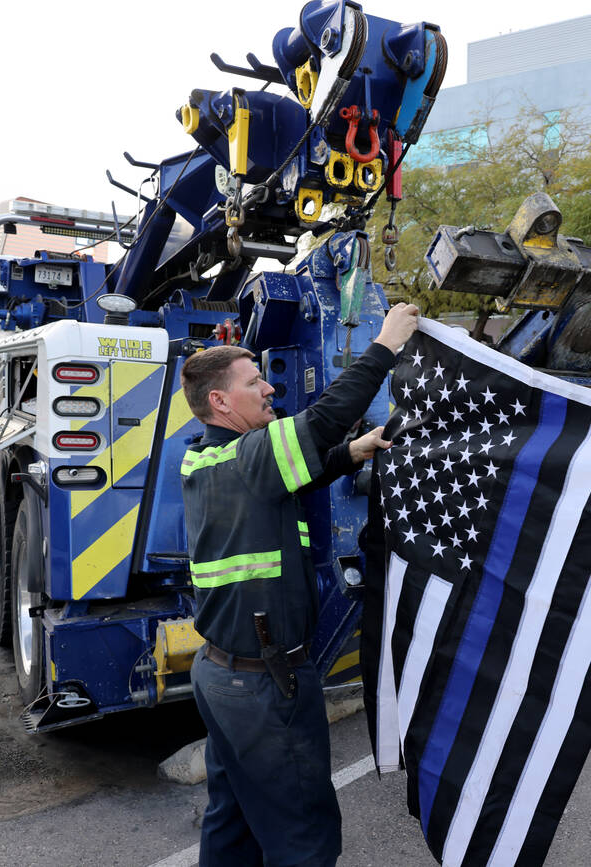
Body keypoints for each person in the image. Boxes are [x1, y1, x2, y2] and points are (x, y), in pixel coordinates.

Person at [179, 302, 419, 867]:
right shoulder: (248, 458)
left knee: (233, 822)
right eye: (253, 382)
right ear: (221, 402)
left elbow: (288, 474)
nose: (268, 388)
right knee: (303, 838)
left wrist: (351, 453)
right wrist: (384, 347)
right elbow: (324, 418)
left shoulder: (208, 459)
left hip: (222, 675)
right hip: (265, 687)